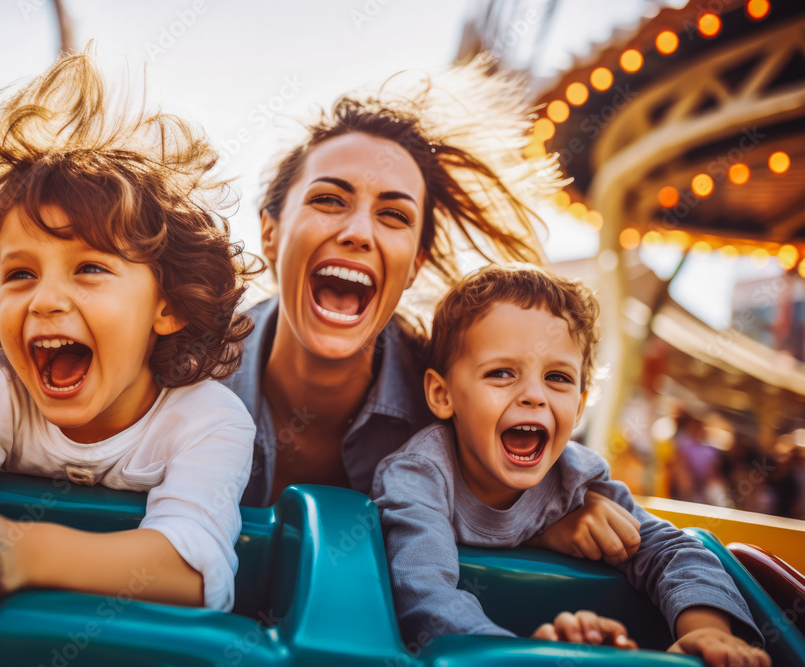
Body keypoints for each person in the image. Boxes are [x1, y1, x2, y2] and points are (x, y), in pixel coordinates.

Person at [0, 48, 256, 622]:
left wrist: (16, 552)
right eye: (21, 274)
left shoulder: (208, 421)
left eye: (89, 268)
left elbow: (196, 573)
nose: (46, 298)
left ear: (169, 307)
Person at [224, 57, 641, 564]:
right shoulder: (182, 371)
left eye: (394, 214)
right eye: (330, 200)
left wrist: (541, 527)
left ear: (416, 263)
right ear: (271, 234)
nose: (358, 232)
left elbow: (504, 502)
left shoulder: (459, 401)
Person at [372, 265, 769, 667]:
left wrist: (706, 631)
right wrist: (525, 656)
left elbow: (674, 550)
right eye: (501, 372)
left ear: (579, 407)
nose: (533, 395)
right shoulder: (417, 476)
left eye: (557, 377)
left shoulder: (577, 478)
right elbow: (422, 592)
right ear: (442, 394)